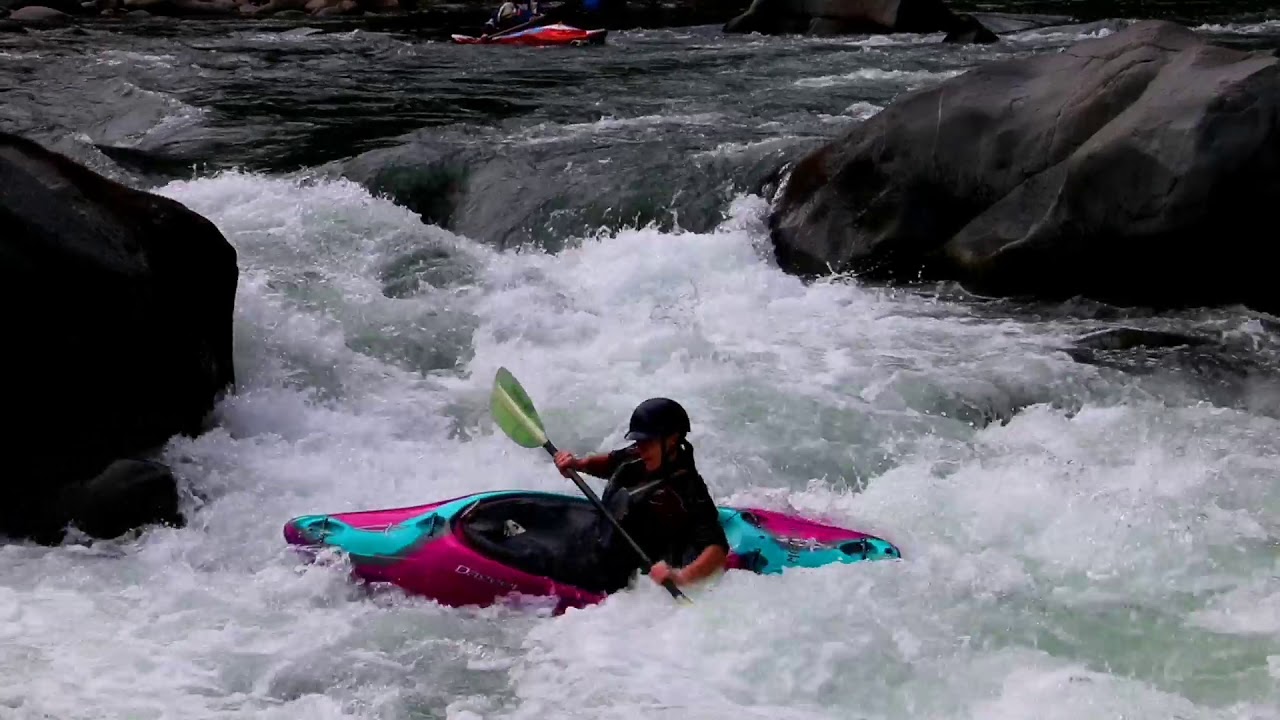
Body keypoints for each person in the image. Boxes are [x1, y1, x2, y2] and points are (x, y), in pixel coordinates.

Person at [553, 398, 729, 594]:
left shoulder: (689, 488)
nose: (641, 449)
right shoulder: (639, 453)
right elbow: (610, 463)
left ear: (672, 439)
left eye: (648, 441)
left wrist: (681, 577)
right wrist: (578, 465)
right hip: (604, 545)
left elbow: (717, 548)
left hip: (633, 572)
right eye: (639, 441)